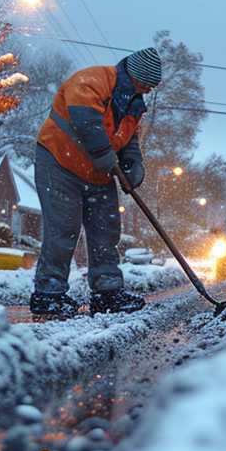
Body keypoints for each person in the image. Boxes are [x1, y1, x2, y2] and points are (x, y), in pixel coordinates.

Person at [29, 48, 163, 318]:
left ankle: (107, 292)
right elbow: (85, 119)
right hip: (59, 161)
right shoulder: (93, 80)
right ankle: (48, 294)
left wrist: (132, 163)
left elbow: (128, 139)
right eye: (146, 83)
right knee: (63, 228)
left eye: (152, 86)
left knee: (106, 230)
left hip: (98, 173)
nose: (149, 90)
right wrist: (103, 153)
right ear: (135, 76)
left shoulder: (134, 104)